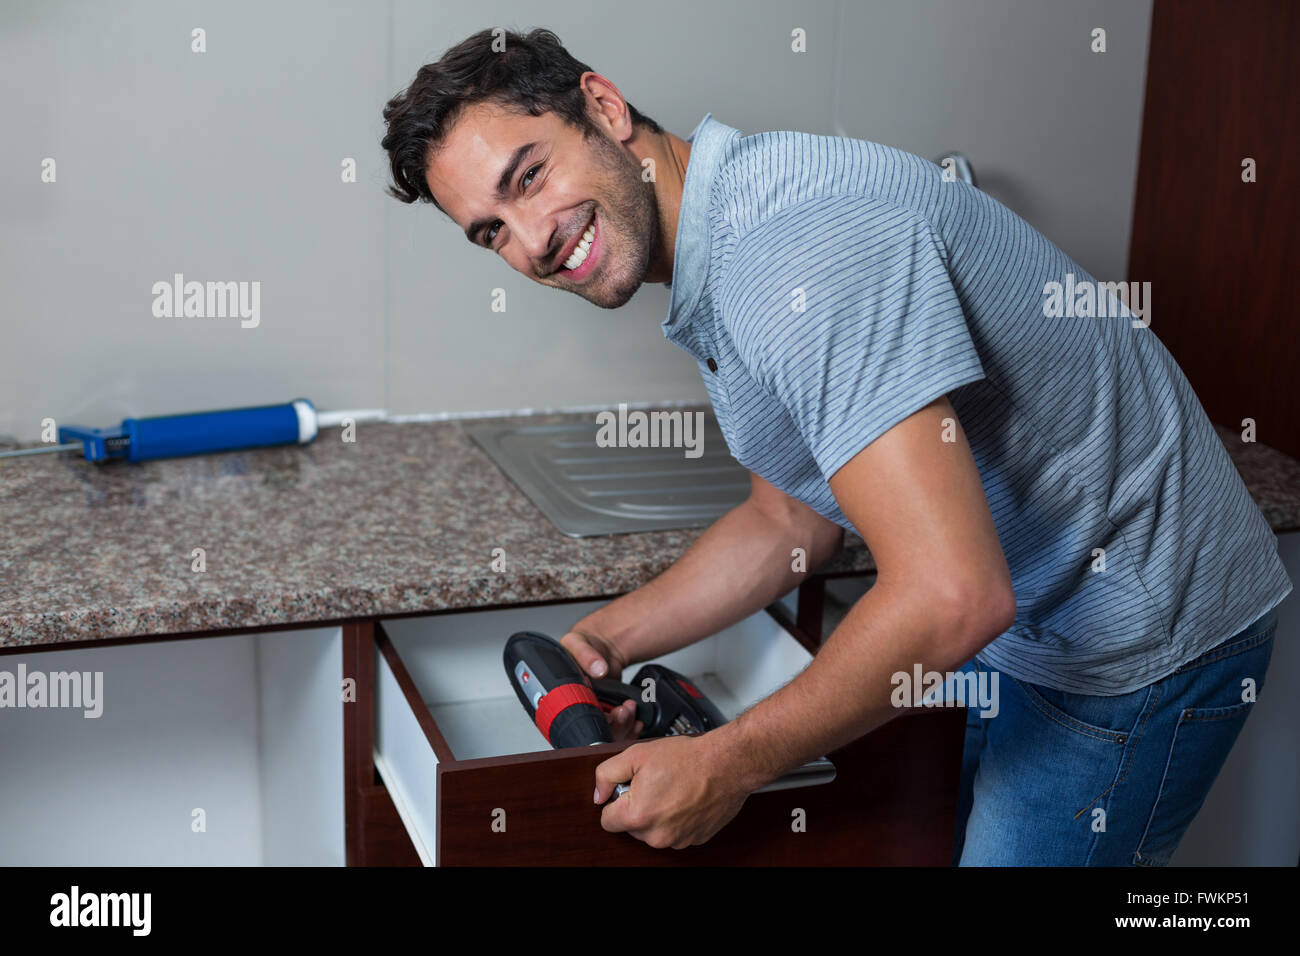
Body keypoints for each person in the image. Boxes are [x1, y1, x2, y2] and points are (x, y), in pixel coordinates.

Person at [381, 28, 1291, 864]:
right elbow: (791, 519)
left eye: (529, 175)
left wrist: (727, 764)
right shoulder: (718, 239)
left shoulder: (796, 254)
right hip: (1018, 610)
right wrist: (599, 640)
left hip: (1138, 634)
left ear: (606, 111)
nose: (533, 240)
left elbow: (951, 596)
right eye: (491, 231)